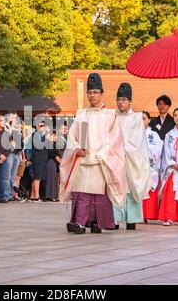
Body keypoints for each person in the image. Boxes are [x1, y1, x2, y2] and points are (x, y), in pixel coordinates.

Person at [60, 73, 127, 234]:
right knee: (81, 191)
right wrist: (76, 148)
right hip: (84, 159)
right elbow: (73, 136)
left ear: (101, 93)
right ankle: (80, 222)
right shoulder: (82, 114)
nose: (92, 95)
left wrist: (102, 153)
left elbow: (115, 138)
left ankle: (99, 222)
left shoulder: (110, 115)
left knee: (99, 194)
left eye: (95, 92)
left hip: (101, 160)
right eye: (89, 92)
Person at [113, 83, 151, 231]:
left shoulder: (137, 118)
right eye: (118, 99)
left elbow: (137, 141)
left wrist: (122, 150)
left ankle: (132, 219)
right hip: (115, 159)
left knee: (131, 188)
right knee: (115, 188)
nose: (120, 102)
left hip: (130, 159)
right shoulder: (112, 116)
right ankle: (115, 218)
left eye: (123, 99)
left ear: (130, 101)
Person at [142, 111, 163, 222]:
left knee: (150, 189)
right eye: (140, 119)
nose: (142, 121)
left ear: (149, 120)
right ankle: (139, 215)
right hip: (139, 166)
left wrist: (147, 149)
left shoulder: (154, 134)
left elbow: (159, 148)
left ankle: (150, 214)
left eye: (144, 118)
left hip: (151, 166)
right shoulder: (134, 133)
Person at [28, 121, 49, 201]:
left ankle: (33, 196)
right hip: (37, 158)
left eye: (43, 125)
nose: (42, 127)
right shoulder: (35, 135)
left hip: (42, 158)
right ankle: (36, 196)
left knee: (37, 178)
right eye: (40, 125)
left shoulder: (44, 135)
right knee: (37, 178)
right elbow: (39, 146)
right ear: (37, 126)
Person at [45, 130, 62, 202]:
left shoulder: (54, 144)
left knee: (54, 180)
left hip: (55, 163)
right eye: (53, 135)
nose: (55, 137)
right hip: (51, 162)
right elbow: (54, 155)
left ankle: (54, 195)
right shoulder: (49, 144)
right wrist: (61, 162)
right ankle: (50, 196)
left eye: (56, 135)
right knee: (51, 179)